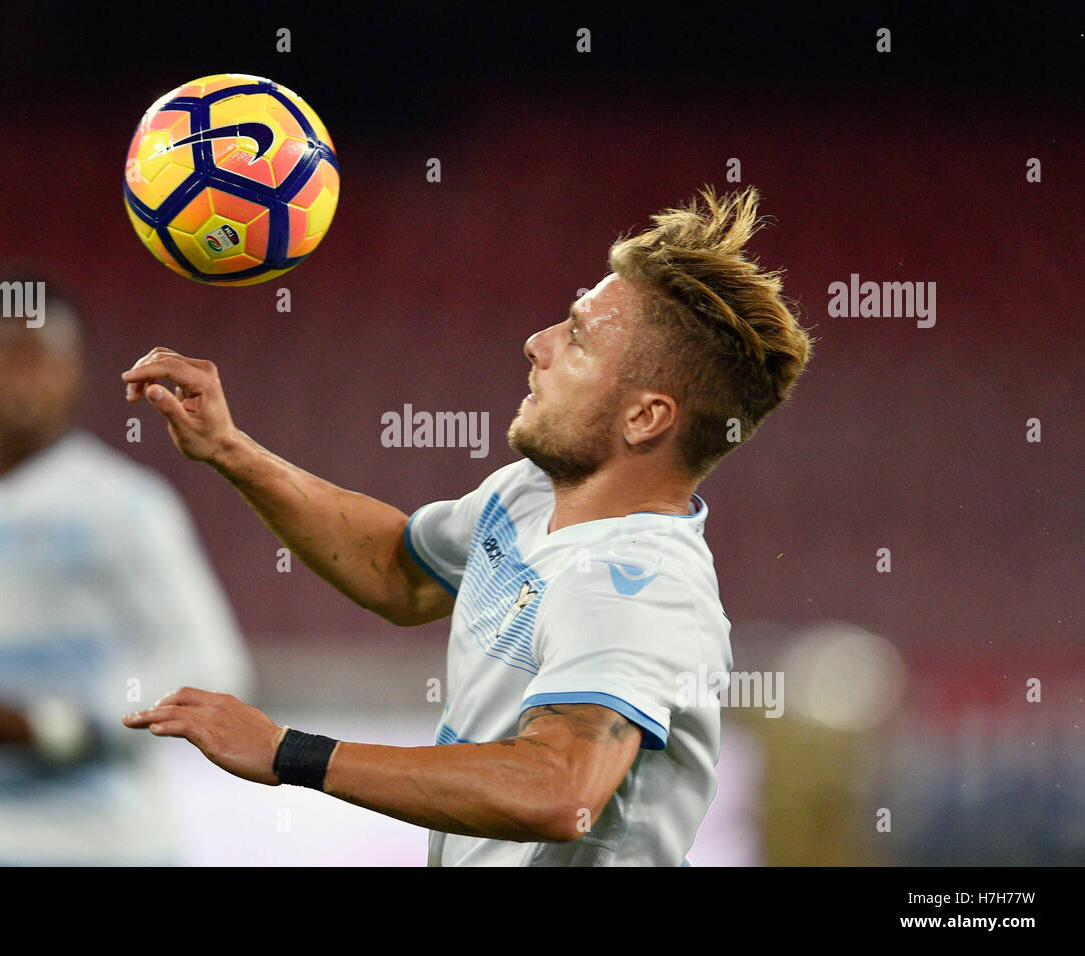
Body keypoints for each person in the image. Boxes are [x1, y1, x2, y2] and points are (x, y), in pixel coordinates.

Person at [120, 186, 812, 866]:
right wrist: (229, 448)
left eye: (576, 340)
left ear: (645, 418)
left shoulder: (638, 587)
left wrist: (286, 752)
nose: (535, 343)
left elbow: (560, 791)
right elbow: (397, 570)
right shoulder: (533, 493)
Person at [0, 284, 254, 865]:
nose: (22, 376)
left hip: (111, 845)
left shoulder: (127, 506)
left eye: (42, 357)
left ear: (75, 374)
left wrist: (63, 729)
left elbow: (213, 665)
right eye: (7, 354)